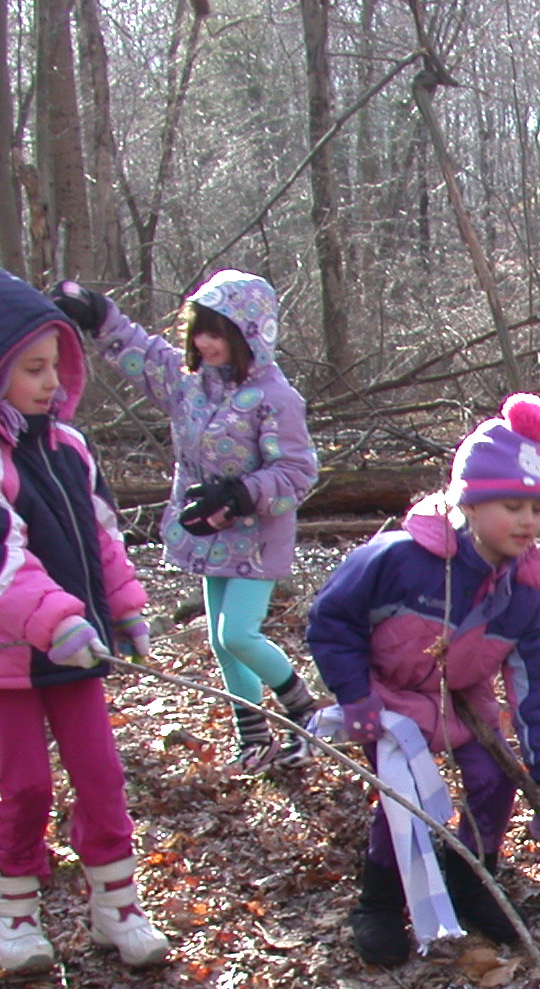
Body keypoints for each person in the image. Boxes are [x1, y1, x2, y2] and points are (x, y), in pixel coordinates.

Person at [0, 263, 171, 974]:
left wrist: (123, 609)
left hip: (76, 647)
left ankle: (117, 906)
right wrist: (61, 622)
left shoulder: (68, 447)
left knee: (99, 773)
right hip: (7, 651)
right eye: (31, 369)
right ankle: (13, 913)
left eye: (54, 366)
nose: (48, 382)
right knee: (27, 781)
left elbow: (103, 538)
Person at [306, 395, 540, 966]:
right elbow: (333, 620)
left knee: (491, 776)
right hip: (384, 692)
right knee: (402, 795)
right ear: (470, 505)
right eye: (512, 506)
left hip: (459, 696)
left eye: (538, 509)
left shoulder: (527, 590)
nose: (528, 522)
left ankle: (472, 880)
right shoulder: (399, 560)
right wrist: (353, 694)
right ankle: (379, 901)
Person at [55, 270, 321, 767]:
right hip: (208, 533)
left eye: (219, 332)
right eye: (201, 329)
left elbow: (298, 471)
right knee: (223, 644)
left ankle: (305, 714)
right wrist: (101, 317)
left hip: (256, 537)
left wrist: (244, 493)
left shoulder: (274, 397)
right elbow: (147, 356)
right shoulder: (191, 384)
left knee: (238, 633)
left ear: (249, 335)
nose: (207, 342)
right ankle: (253, 736)